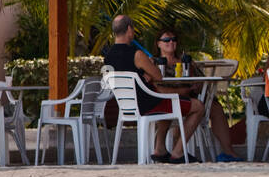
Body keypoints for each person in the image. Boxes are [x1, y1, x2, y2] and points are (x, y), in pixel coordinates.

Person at [102, 14, 204, 163]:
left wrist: (143, 72)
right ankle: (178, 152)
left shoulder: (108, 56)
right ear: (130, 30)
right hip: (149, 103)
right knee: (198, 106)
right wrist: (148, 66)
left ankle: (160, 149)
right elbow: (158, 76)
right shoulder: (136, 54)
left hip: (127, 105)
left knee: (169, 104)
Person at [155, 29, 238, 160]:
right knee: (188, 106)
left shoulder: (186, 62)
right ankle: (176, 152)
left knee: (215, 107)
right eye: (166, 40)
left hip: (189, 98)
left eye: (174, 39)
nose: (171, 42)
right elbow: (155, 86)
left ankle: (228, 152)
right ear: (158, 43)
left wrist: (194, 81)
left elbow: (201, 81)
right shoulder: (154, 63)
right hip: (167, 100)